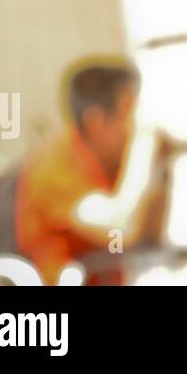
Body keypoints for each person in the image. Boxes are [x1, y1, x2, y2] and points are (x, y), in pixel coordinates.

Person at [15, 58, 171, 284]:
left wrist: (157, 170)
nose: (134, 127)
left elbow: (146, 237)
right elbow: (119, 228)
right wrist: (144, 144)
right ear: (96, 123)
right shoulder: (54, 165)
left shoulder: (115, 160)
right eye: (129, 113)